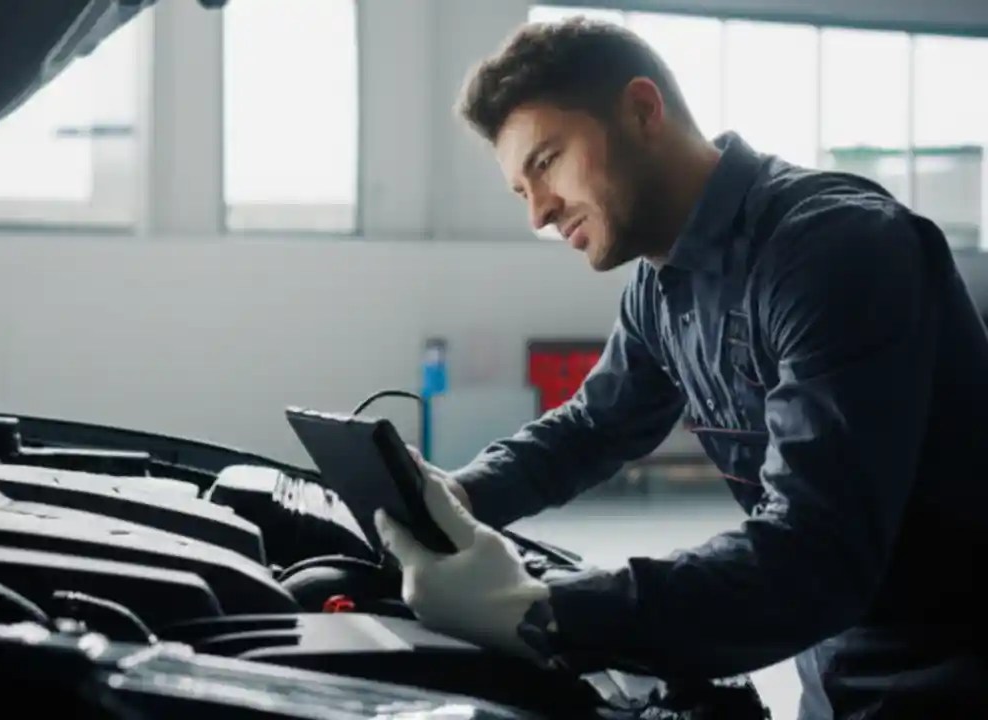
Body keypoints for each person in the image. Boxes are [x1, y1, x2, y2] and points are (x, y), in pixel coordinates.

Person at [373, 16, 988, 720]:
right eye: (521, 191)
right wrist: (453, 498)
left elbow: (816, 554)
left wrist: (544, 612)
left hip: (956, 673)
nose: (539, 213)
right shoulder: (660, 287)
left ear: (641, 111)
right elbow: (591, 429)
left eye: (546, 161)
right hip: (838, 671)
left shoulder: (833, 248)